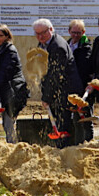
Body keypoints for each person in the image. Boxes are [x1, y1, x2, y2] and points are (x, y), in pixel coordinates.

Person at [33, 18, 83, 146]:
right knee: (56, 122)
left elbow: (55, 76)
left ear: (51, 29)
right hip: (55, 91)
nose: (40, 36)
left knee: (62, 124)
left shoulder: (58, 47)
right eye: (37, 34)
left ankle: (64, 151)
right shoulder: (43, 44)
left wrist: (47, 97)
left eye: (43, 33)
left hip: (64, 92)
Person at [0, 24, 28, 144]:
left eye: (0, 36)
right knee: (6, 123)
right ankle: (11, 147)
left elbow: (4, 73)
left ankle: (13, 148)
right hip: (6, 91)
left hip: (13, 91)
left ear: (7, 36)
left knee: (9, 123)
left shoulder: (10, 50)